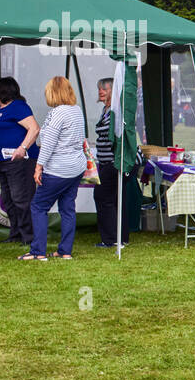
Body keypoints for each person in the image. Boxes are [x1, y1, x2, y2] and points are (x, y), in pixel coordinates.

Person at [25, 76, 87, 261]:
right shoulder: (77, 111)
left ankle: (38, 251)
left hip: (58, 168)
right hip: (76, 167)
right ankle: (65, 251)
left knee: (38, 206)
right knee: (67, 209)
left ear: (52, 93)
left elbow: (48, 144)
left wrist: (38, 167)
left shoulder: (56, 113)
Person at [0, 77, 39, 247]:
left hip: (19, 161)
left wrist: (22, 147)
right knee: (8, 199)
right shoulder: (1, 110)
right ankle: (16, 232)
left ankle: (29, 235)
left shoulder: (18, 107)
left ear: (1, 91)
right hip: (1, 161)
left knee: (20, 198)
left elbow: (34, 128)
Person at [92, 77, 131, 249]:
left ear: (113, 91)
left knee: (103, 198)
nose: (101, 92)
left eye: (104, 89)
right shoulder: (106, 110)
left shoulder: (116, 111)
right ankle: (121, 237)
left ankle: (111, 239)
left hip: (112, 162)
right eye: (100, 88)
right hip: (106, 161)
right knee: (115, 199)